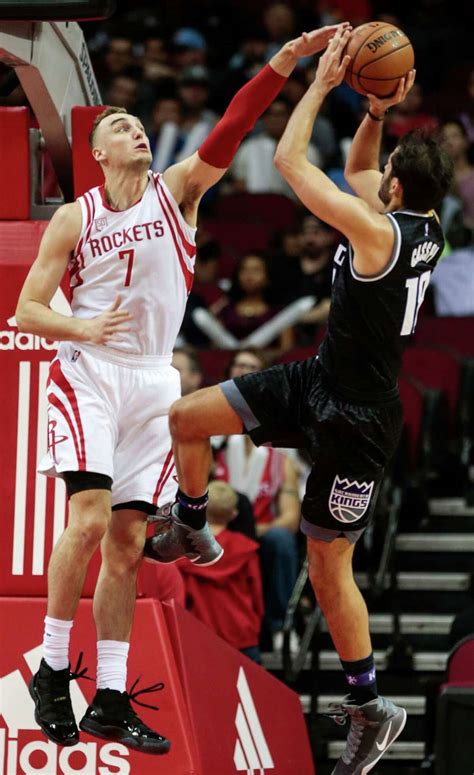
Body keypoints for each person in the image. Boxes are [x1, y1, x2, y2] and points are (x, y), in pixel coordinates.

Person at [15, 23, 346, 753]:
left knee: (129, 542)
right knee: (92, 517)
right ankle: (48, 664)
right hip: (90, 372)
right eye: (120, 126)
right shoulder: (76, 216)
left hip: (153, 376)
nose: (135, 130)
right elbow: (26, 310)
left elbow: (234, 123)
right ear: (95, 152)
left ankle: (105, 695)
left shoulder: (179, 192)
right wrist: (80, 331)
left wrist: (283, 64)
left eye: (137, 122)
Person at [145, 27, 453, 773]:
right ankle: (192, 526)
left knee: (326, 566)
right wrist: (377, 107)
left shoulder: (373, 230)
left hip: (358, 421)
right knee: (188, 417)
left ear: (395, 191)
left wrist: (321, 81)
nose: (370, 177)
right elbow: (357, 168)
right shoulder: (428, 228)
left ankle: (369, 703)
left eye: (382, 176)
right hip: (319, 378)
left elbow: (290, 161)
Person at [213, 349, 301, 644]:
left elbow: (290, 519)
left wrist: (252, 531)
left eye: (251, 367)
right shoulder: (211, 443)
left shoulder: (280, 455)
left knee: (281, 541)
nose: (243, 371)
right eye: (238, 365)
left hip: (260, 534)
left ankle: (281, 627)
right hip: (216, 532)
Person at [180, 480, 264, 663]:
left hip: (200, 633)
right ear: (234, 514)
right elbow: (256, 592)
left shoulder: (186, 551)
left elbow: (179, 596)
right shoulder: (245, 549)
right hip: (242, 634)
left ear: (201, 509)